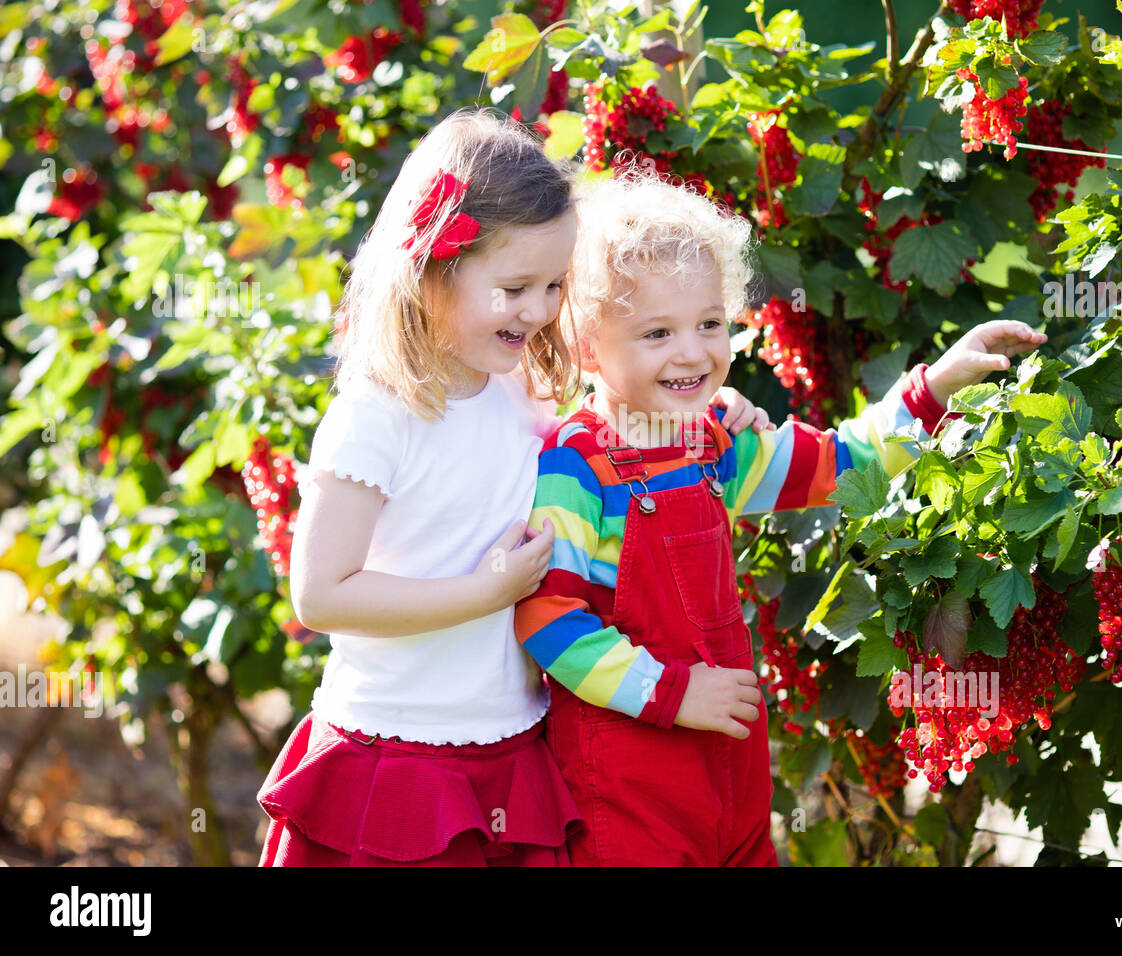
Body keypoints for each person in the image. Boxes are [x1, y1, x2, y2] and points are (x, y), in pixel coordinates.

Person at [254, 110, 767, 867]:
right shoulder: (376, 416)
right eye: (515, 286)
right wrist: (484, 592)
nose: (538, 310)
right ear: (432, 265)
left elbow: (617, 421)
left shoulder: (519, 387)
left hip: (512, 747)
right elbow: (320, 596)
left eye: (554, 285)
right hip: (398, 755)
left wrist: (713, 414)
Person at [513, 171, 1047, 866]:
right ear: (587, 347)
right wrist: (673, 694)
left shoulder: (712, 444)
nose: (693, 352)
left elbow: (835, 465)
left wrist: (932, 387)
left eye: (710, 323)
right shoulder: (579, 466)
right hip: (629, 778)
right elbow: (549, 620)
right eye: (656, 332)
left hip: (729, 760)